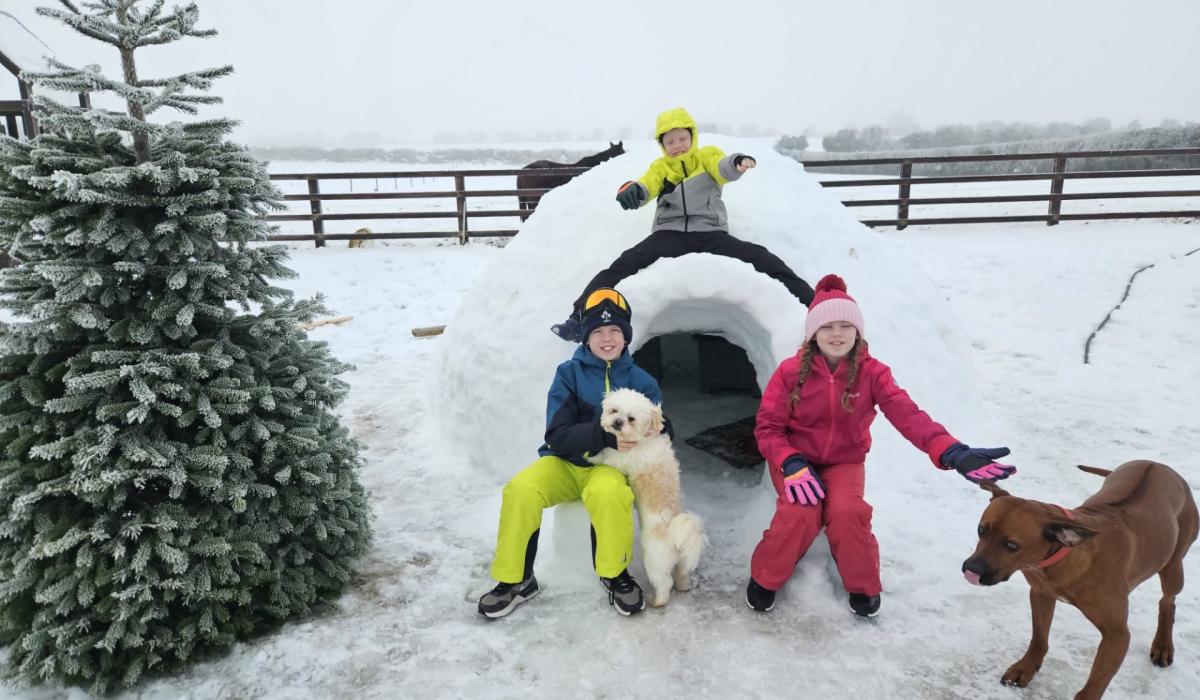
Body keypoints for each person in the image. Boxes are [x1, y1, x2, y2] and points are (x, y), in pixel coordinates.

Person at [746, 274, 1016, 617]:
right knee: (799, 514)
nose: (837, 333)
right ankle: (765, 578)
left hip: (844, 461)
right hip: (796, 461)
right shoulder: (789, 373)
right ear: (813, 332)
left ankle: (862, 587)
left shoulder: (872, 373)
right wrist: (789, 462)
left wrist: (950, 450)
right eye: (827, 326)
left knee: (847, 514)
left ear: (858, 331)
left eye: (846, 325)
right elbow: (768, 428)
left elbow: (907, 414)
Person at [478, 288, 670, 618]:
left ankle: (615, 575)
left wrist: (663, 429)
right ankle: (516, 581)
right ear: (585, 337)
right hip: (563, 461)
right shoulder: (568, 374)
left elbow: (661, 426)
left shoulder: (642, 381)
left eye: (614, 331)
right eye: (598, 331)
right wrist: (605, 437)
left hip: (608, 468)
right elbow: (557, 433)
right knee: (521, 490)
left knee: (611, 494)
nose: (607, 339)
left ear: (625, 337)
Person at [550, 107, 814, 342]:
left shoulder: (707, 156)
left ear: (692, 137)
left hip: (711, 233)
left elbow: (723, 168)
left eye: (682, 139)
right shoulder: (661, 167)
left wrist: (737, 162)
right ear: (663, 145)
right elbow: (646, 186)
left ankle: (814, 304)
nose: (677, 145)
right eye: (670, 141)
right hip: (670, 234)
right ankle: (578, 318)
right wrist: (633, 192)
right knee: (622, 266)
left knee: (763, 258)